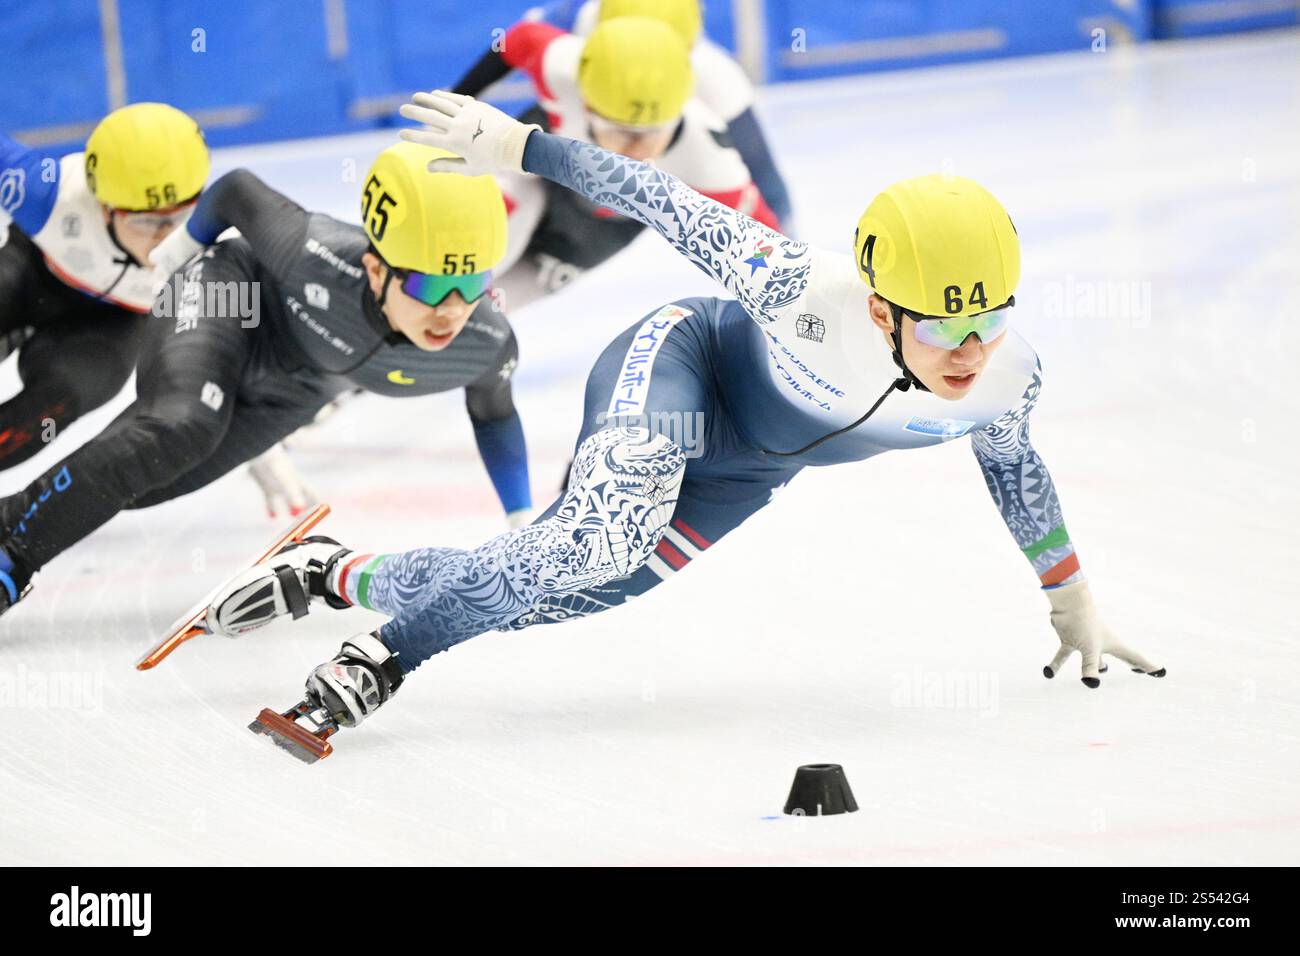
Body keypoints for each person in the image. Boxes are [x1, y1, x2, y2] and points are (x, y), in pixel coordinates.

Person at [202, 93, 1164, 754]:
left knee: (570, 589)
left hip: (748, 469)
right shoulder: (801, 289)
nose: (974, 349)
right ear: (879, 309)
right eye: (950, 323)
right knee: (595, 540)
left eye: (991, 320)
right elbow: (662, 199)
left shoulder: (1008, 376)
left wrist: (1068, 594)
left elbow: (1015, 466)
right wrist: (523, 148)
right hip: (682, 370)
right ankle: (380, 658)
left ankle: (332, 573)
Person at [0, 142, 531, 617]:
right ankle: (12, 559)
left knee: (141, 482)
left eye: (471, 283)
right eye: (432, 285)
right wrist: (181, 252)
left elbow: (495, 413)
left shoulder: (485, 344)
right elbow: (235, 189)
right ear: (376, 270)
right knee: (177, 428)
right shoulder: (311, 250)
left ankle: (11, 521)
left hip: (298, 389)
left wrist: (520, 521)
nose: (452, 311)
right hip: (234, 295)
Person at [452, 14, 784, 311]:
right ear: (585, 103)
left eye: (652, 133)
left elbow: (769, 242)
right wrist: (456, 102)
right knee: (461, 278)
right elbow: (517, 40)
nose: (633, 150)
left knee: (482, 312)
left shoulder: (708, 159)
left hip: (595, 228)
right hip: (534, 167)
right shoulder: (561, 63)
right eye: (619, 131)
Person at [0, 103, 208, 469]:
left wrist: (263, 455)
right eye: (146, 221)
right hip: (31, 273)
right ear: (104, 207)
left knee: (58, 400)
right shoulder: (46, 194)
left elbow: (229, 355)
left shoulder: (213, 247)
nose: (168, 237)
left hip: (107, 325)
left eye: (181, 213)